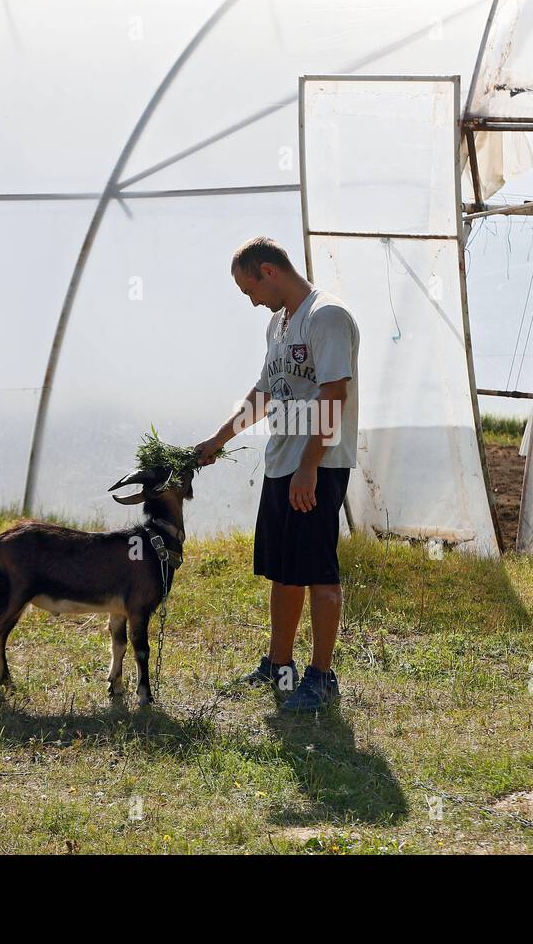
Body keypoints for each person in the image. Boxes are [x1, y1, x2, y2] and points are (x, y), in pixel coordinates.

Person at [195, 237, 360, 712]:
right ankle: (278, 663)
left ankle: (322, 676)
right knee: (284, 571)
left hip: (317, 466)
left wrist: (309, 467)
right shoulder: (278, 325)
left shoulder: (326, 316)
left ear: (268, 271)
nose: (252, 301)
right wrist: (218, 440)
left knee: (317, 570)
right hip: (282, 462)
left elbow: (334, 396)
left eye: (250, 288)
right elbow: (265, 394)